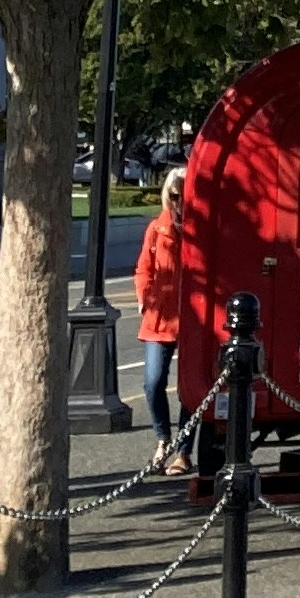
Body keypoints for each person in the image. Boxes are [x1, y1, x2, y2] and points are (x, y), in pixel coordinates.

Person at [133, 165, 188, 471]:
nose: (179, 201)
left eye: (184, 195)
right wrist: (144, 298)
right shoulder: (157, 228)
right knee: (153, 382)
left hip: (192, 319)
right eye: (174, 195)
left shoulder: (200, 229)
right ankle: (162, 439)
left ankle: (183, 450)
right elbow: (144, 268)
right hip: (159, 317)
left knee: (189, 388)